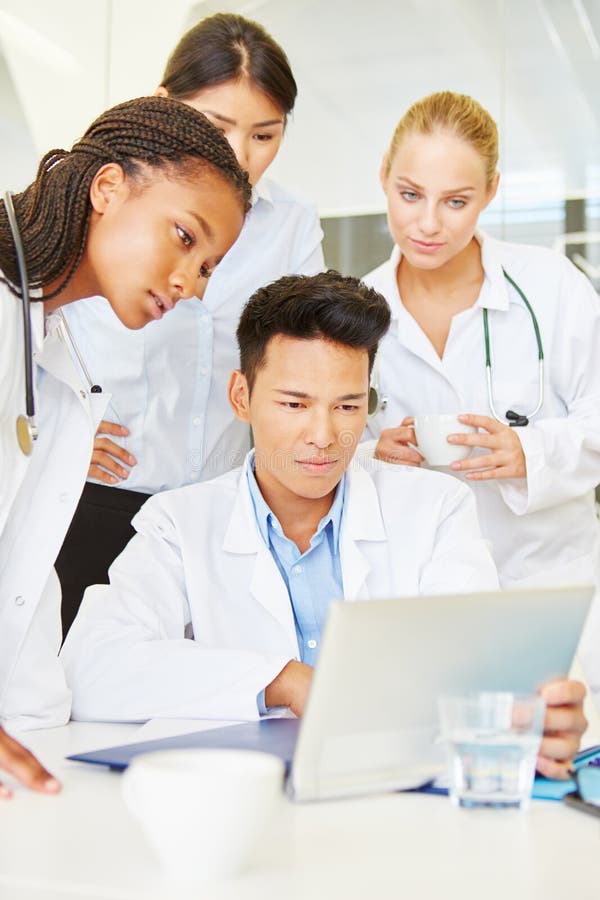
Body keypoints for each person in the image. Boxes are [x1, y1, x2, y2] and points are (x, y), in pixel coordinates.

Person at [61, 271, 586, 780]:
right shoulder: (179, 523)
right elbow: (89, 669)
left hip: (398, 807)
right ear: (241, 396)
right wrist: (281, 680)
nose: (324, 435)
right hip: (247, 809)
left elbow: (479, 668)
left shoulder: (436, 509)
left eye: (348, 406)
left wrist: (530, 717)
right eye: (294, 404)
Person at [0, 94, 250, 795]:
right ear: (108, 188)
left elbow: (21, 570)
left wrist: (41, 716)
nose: (190, 283)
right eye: (183, 235)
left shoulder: (53, 358)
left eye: (207, 266)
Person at [56, 13, 324, 638]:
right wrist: (54, 435)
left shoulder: (289, 221)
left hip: (216, 507)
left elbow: (302, 356)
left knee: (208, 701)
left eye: (265, 135)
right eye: (217, 126)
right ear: (163, 105)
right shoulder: (110, 202)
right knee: (73, 695)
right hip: (99, 501)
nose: (239, 155)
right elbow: (36, 333)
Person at [363, 91, 600, 598]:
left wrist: (530, 451)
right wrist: (370, 455)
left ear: (490, 191)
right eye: (409, 194)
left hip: (549, 581)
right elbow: (326, 448)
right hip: (419, 585)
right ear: (384, 173)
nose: (428, 224)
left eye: (456, 201)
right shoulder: (353, 311)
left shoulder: (552, 286)